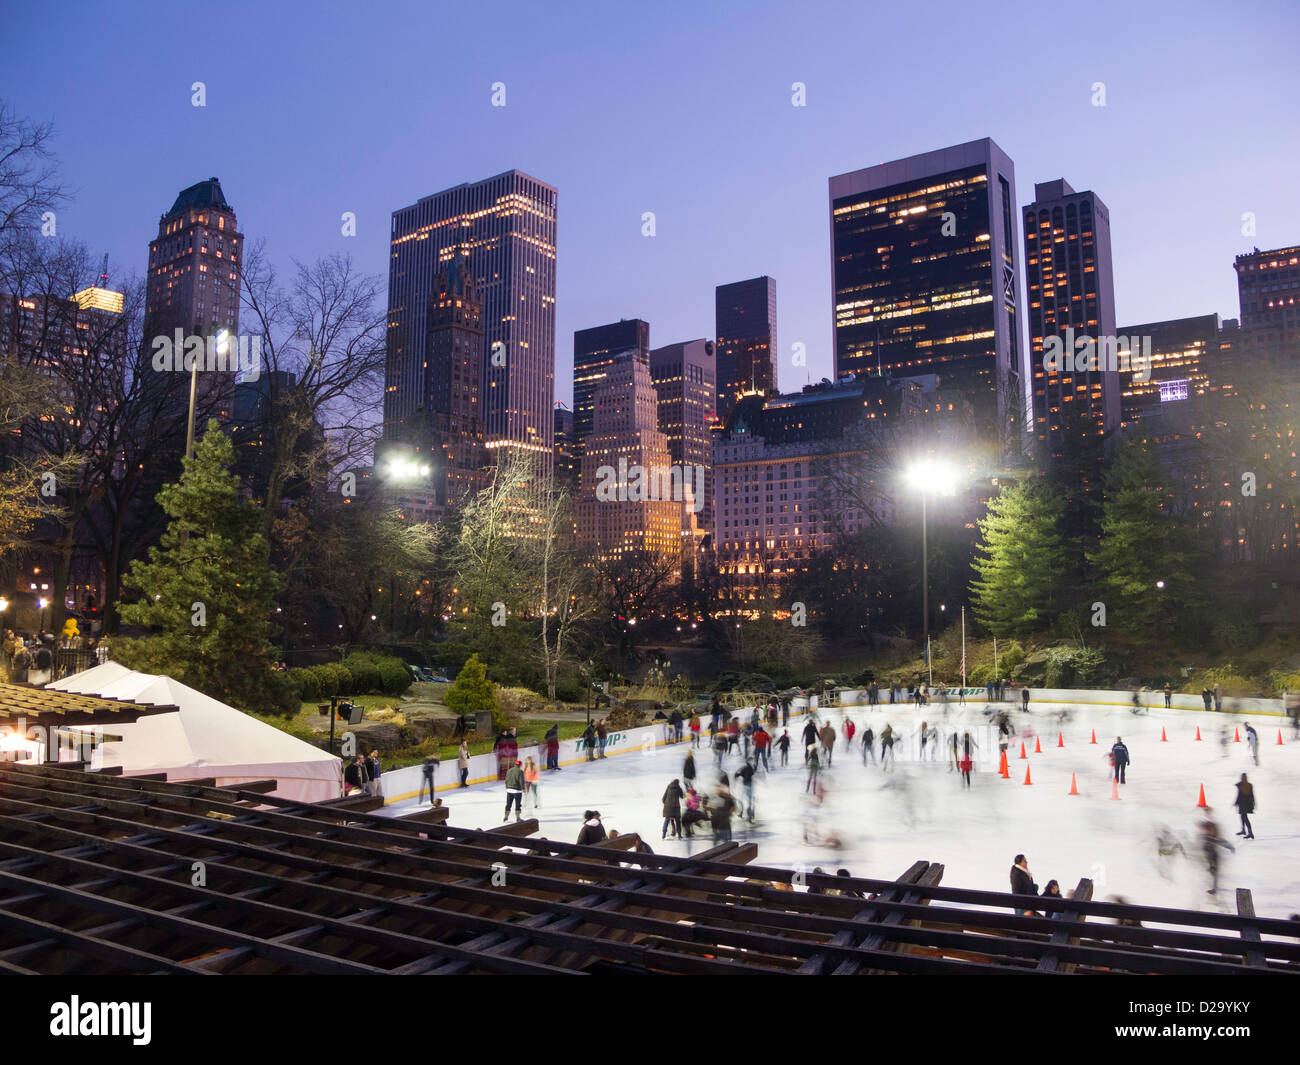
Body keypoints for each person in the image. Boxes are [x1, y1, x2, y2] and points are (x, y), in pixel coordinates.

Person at [1200, 808, 1233, 895]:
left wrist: (1230, 847)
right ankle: (1212, 870)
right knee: (1212, 870)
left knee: (1215, 872)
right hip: (1208, 853)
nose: (1210, 831)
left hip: (1213, 853)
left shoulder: (1214, 836)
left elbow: (1222, 841)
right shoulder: (1206, 835)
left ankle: (1214, 888)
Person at [1234, 773, 1255, 839]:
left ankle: (1250, 833)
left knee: (1244, 817)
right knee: (1243, 816)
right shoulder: (1249, 785)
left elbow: (1239, 796)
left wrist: (1236, 803)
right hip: (1248, 803)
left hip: (1243, 804)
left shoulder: (1241, 786)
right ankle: (1244, 830)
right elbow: (1252, 795)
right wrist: (1254, 803)